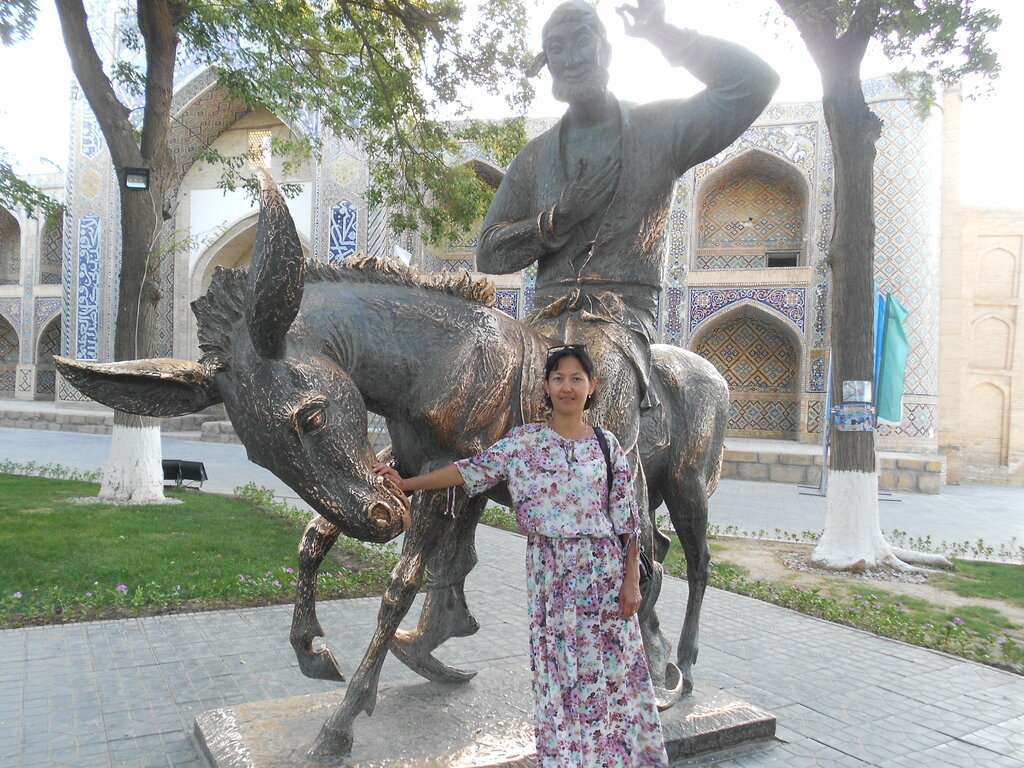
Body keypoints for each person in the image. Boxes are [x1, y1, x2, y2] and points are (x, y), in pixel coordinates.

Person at [476, 0, 779, 468]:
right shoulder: (535, 157)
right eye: (557, 48)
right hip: (542, 320)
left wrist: (668, 35)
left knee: (604, 380)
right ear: (547, 62)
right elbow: (489, 252)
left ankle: (625, 524)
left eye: (582, 41)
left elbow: (755, 83)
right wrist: (556, 219)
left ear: (607, 48)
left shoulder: (659, 130)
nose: (572, 57)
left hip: (620, 317)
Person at [373, 344, 669, 768]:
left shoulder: (608, 446)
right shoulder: (524, 442)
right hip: (550, 573)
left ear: (592, 387)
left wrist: (632, 581)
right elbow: (467, 470)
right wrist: (407, 483)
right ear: (546, 387)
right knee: (561, 670)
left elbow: (626, 521)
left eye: (576, 378)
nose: (567, 387)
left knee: (611, 670)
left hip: (602, 575)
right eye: (558, 378)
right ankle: (570, 757)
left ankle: (615, 756)